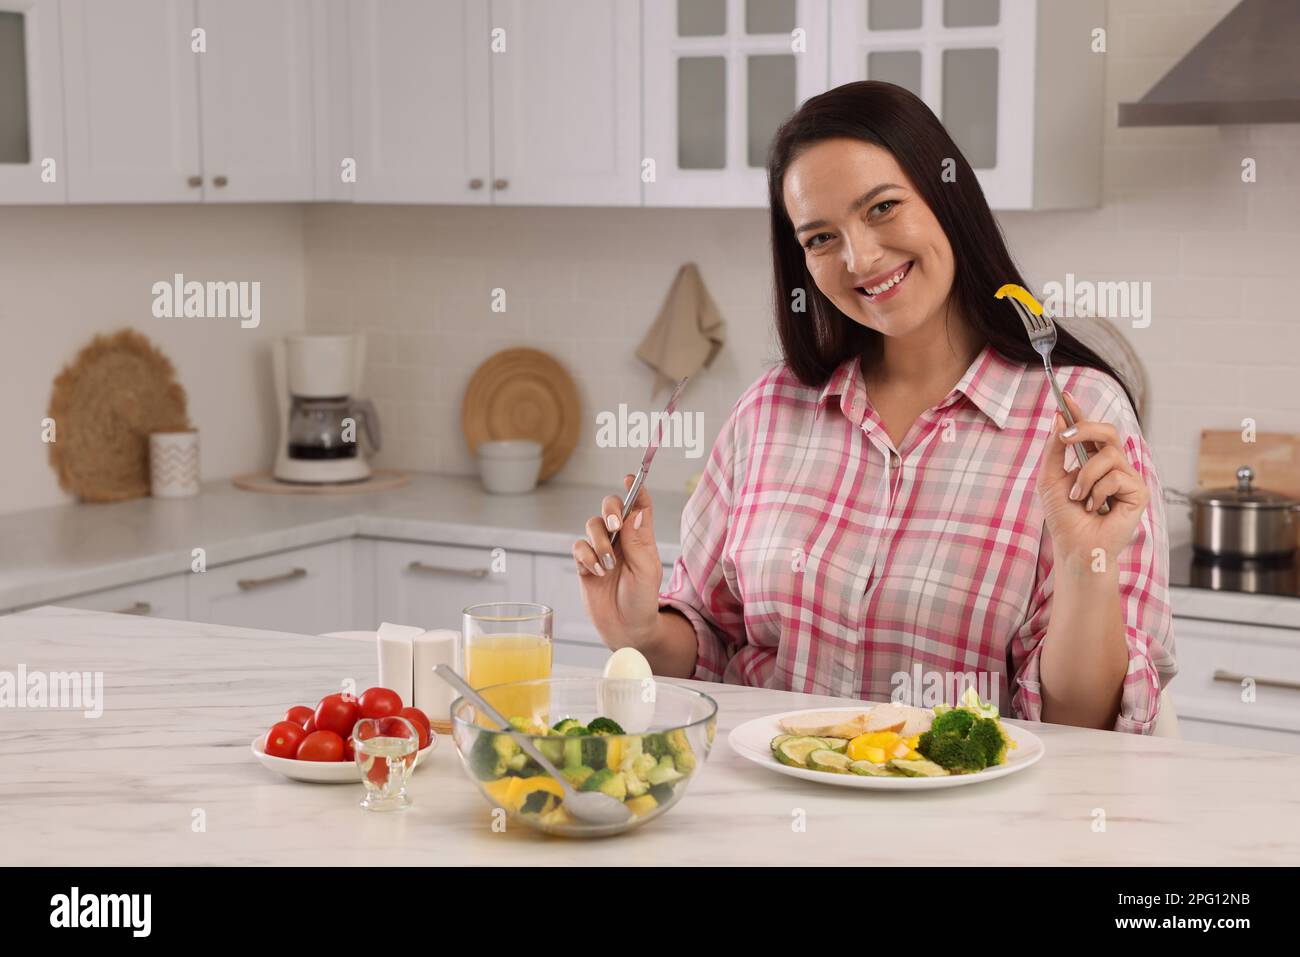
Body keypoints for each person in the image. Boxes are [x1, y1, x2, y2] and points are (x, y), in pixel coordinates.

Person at [571, 81, 1175, 734]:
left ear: (947, 197)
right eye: (821, 237)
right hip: (766, 816)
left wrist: (1090, 566)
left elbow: (1081, 729)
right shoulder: (768, 411)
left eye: (883, 207)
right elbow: (714, 638)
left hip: (966, 831)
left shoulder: (1077, 415)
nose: (860, 257)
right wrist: (640, 630)